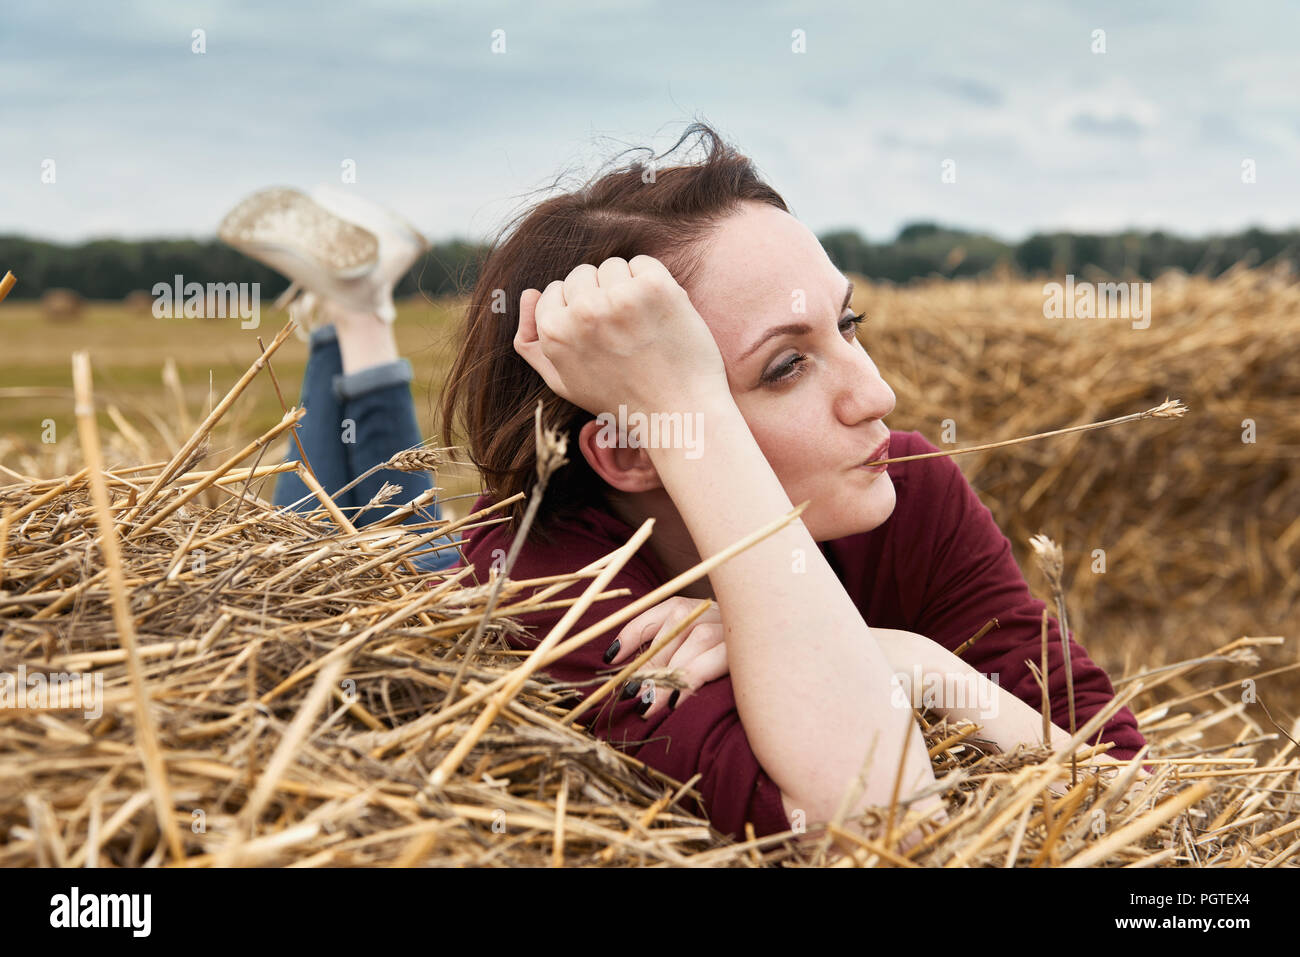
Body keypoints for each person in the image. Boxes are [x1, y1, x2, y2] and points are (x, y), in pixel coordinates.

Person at [439, 122, 1147, 846]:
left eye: (849, 323)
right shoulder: (546, 589)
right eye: (785, 366)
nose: (877, 395)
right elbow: (881, 834)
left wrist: (913, 660)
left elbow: (1146, 806)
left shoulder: (902, 489)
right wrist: (687, 412)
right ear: (630, 451)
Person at [217, 185, 463, 571]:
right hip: (432, 572)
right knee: (318, 557)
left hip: (427, 570)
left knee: (305, 557)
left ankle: (350, 308)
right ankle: (354, 310)